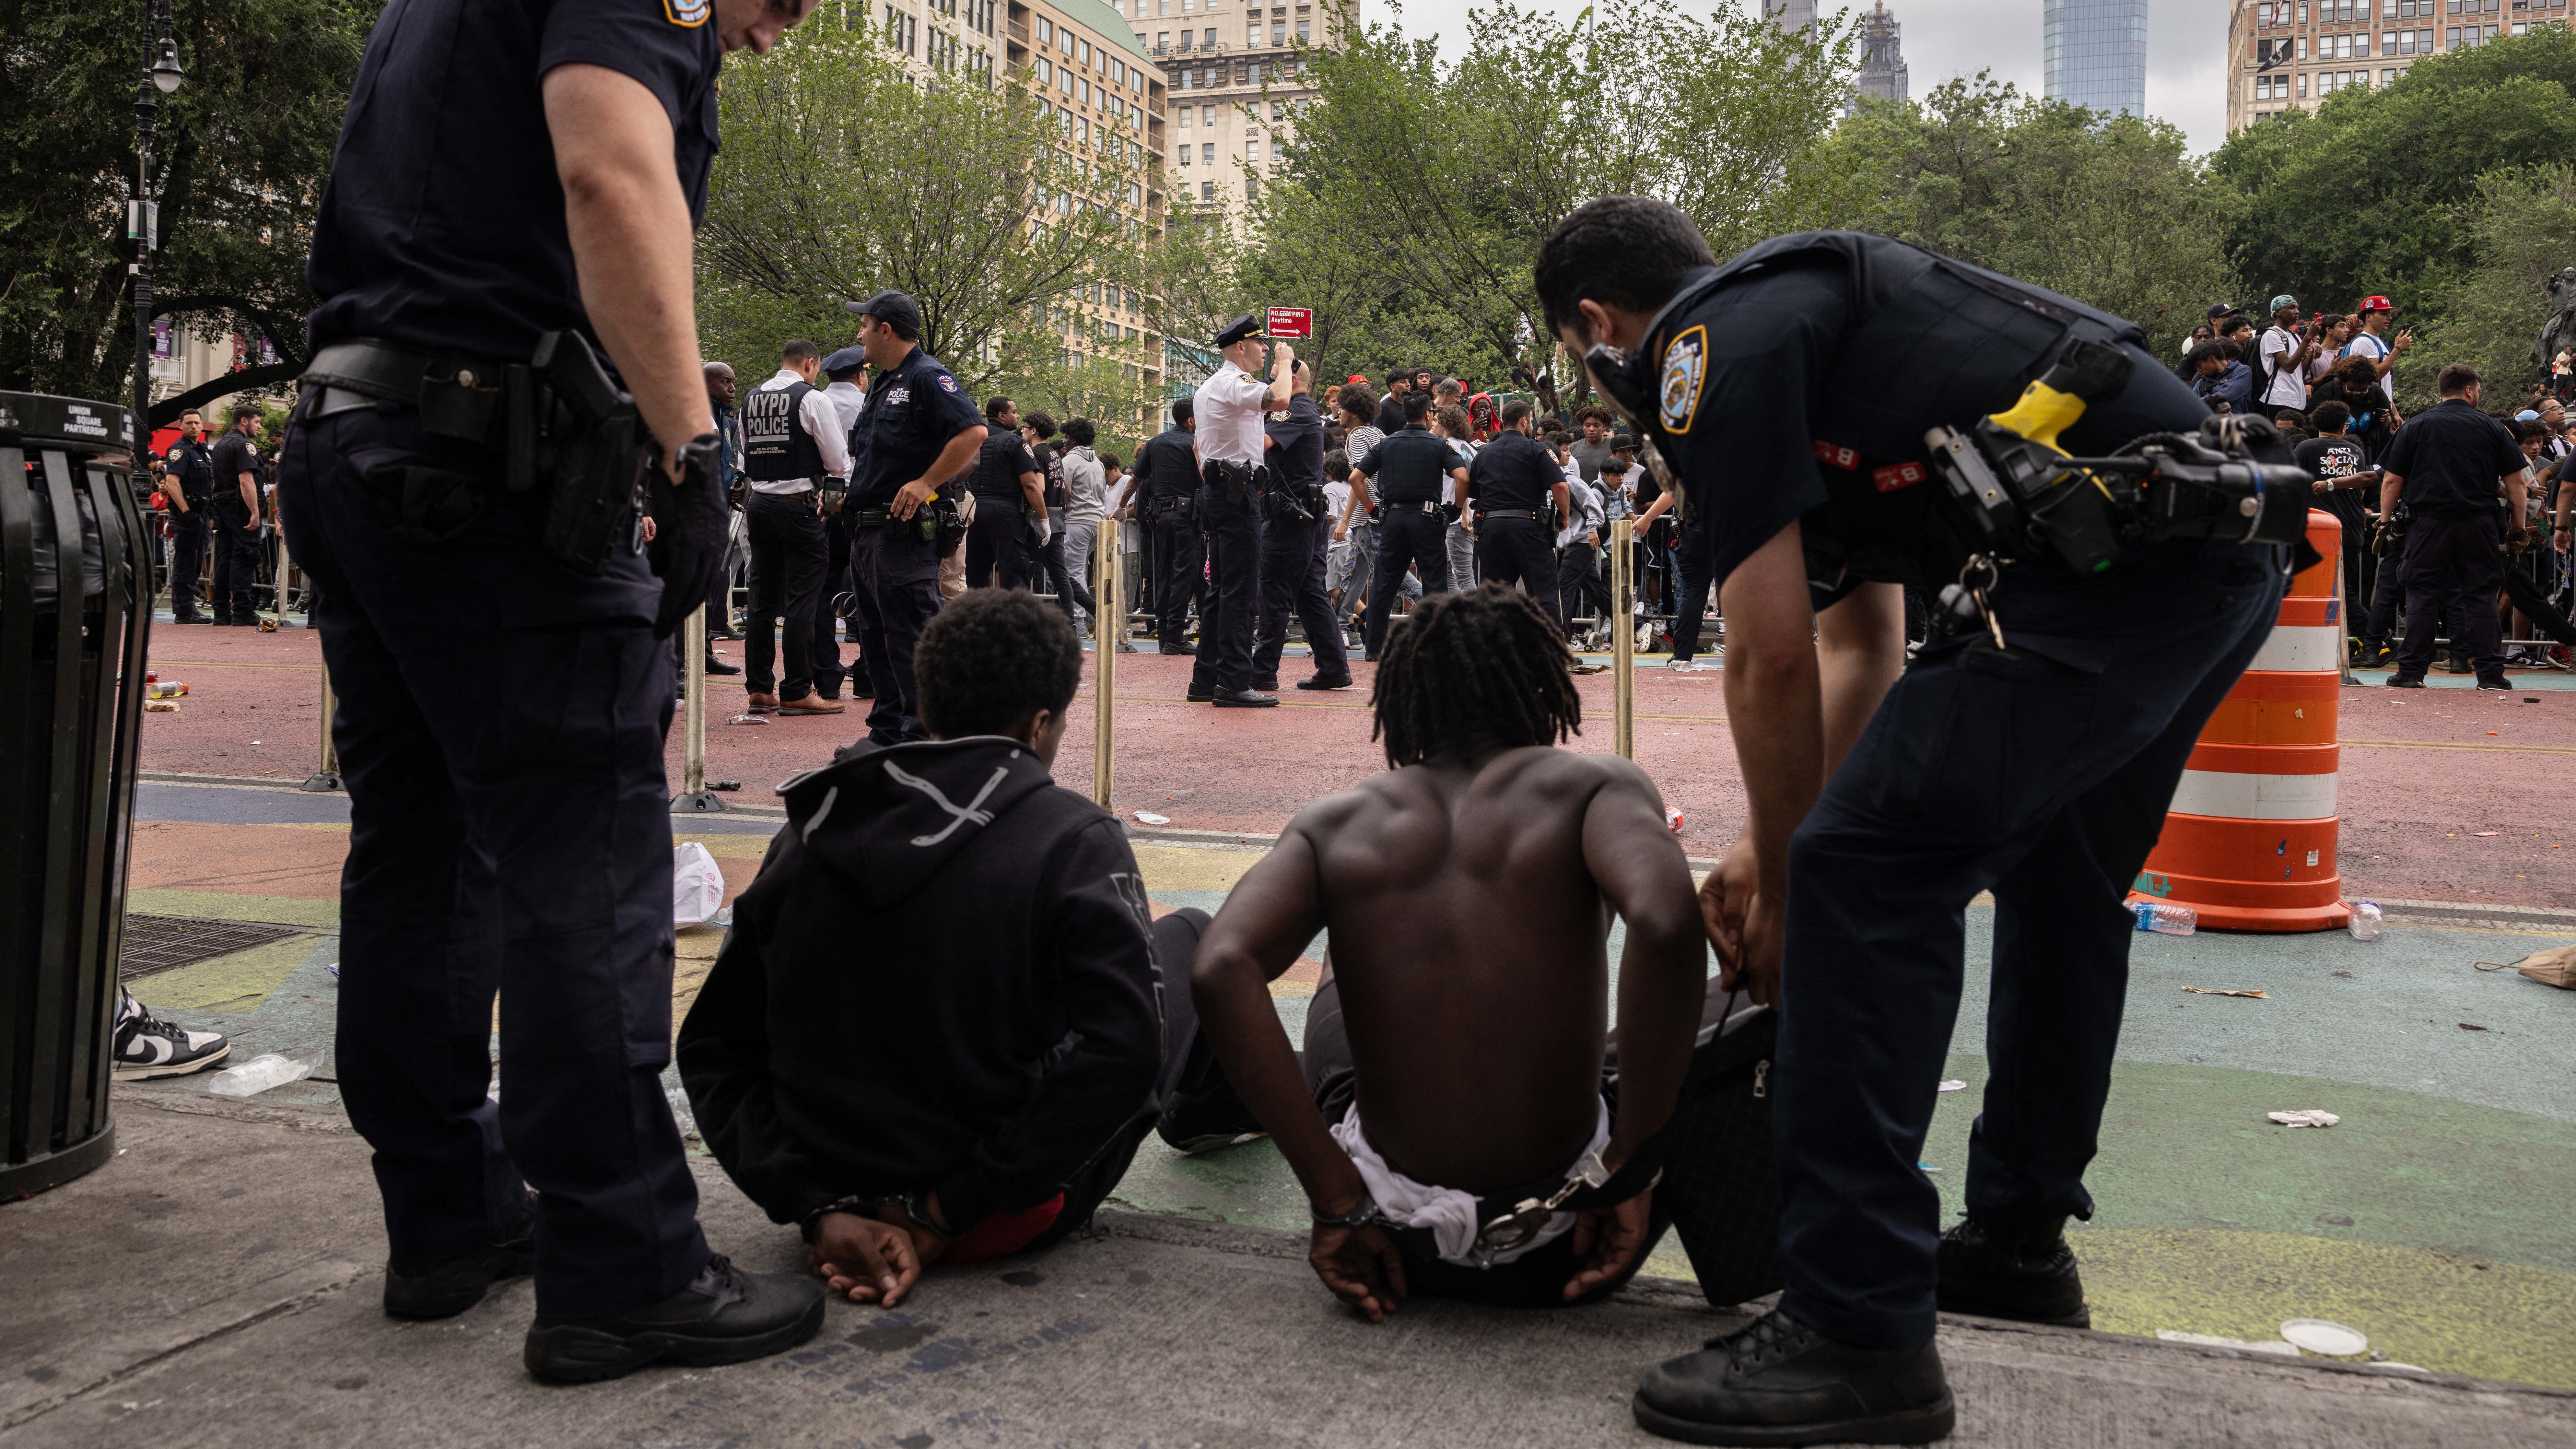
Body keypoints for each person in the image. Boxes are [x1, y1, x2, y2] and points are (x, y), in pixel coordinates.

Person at [1537, 199, 2298, 1444]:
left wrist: (1788, 874)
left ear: (1593, 325)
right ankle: (2014, 1240)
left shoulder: (1698, 347)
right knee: (2053, 877)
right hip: (2194, 559)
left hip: (2102, 572)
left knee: (1856, 873)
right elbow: (1861, 641)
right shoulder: (1835, 335)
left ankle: (1854, 1331)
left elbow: (1768, 655)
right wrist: (1763, 839)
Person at [280, 0, 827, 1383]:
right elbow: (610, 168)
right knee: (587, 852)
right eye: (783, 5)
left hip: (359, 437)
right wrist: (692, 450)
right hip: (489, 466)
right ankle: (624, 1263)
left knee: (419, 849)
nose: (769, 36)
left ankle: (446, 1211)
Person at [1179, 585, 1709, 1314]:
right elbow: (1666, 921)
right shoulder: (1595, 787)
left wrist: (1335, 1197)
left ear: (1403, 705)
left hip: (1392, 1242)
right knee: (1720, 1015)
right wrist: (1627, 1163)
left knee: (1343, 956)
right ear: (1539, 688)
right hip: (1565, 1236)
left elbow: (1217, 966)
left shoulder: (1336, 823)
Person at [679, 588, 1203, 1308]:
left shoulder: (811, 828)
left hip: (836, 1201)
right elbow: (1126, 1054)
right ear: (1041, 723)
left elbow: (714, 1049)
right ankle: (1212, 1113)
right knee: (1192, 940)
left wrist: (816, 1204)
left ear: (925, 708)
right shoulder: (1072, 838)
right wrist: (941, 1211)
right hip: (997, 1215)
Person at [838, 289, 987, 746]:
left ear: (886, 328)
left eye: (864, 324)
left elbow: (973, 431)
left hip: (901, 536)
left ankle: (924, 738)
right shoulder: (885, 380)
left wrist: (927, 483)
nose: (859, 332)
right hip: (868, 533)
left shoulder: (927, 376)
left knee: (910, 639)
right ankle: (887, 735)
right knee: (878, 640)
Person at [2377, 363, 2533, 690]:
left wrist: (2384, 521)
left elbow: (2392, 479)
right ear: (2469, 390)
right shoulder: (2492, 428)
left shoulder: (2415, 426)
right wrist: (2518, 528)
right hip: (2478, 523)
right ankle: (2490, 676)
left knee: (2422, 593)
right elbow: (2517, 484)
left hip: (2428, 524)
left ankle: (2410, 672)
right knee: (2480, 596)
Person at [737, 339, 848, 715]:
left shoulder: (750, 399)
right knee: (804, 598)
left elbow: (743, 454)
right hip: (800, 506)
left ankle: (759, 689)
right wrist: (831, 510)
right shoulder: (812, 399)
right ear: (810, 364)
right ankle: (798, 689)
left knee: (762, 600)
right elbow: (838, 464)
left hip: (760, 504)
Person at [1189, 314, 1293, 707]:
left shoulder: (1215, 386)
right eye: (1260, 344)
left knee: (1222, 589)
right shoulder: (1234, 382)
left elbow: (1199, 447)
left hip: (1221, 490)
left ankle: (1207, 677)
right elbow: (1280, 399)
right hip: (1236, 494)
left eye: (1269, 346)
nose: (1266, 349)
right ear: (1239, 347)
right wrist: (1284, 363)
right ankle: (1233, 682)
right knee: (1240, 590)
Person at [1252, 360, 1353, 691]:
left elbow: (1261, 443)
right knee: (1310, 594)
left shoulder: (1294, 410)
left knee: (1275, 592)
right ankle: (1334, 667)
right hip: (1303, 516)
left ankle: (1263, 671)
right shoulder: (1301, 411)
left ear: (1290, 378)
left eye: (1275, 377)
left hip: (1290, 520)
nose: (1270, 384)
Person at [1349, 391, 1467, 661]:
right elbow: (1462, 477)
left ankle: (1374, 648)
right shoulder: (1439, 445)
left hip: (1393, 519)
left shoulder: (1387, 443)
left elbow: (1356, 478)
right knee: (1434, 584)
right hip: (1428, 519)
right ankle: (1434, 645)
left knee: (1383, 585)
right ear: (1428, 415)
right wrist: (1456, 509)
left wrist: (1372, 509)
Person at [1463, 399, 1571, 624]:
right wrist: (1565, 516)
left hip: (1492, 529)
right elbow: (1560, 486)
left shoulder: (1484, 454)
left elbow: (1474, 491)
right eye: (1531, 421)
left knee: (1495, 595)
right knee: (1542, 592)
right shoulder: (1537, 449)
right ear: (1524, 421)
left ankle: (1494, 651)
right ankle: (1550, 651)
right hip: (1529, 529)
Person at [812, 345, 870, 700]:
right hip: (863, 504)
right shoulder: (868, 404)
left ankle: (826, 677)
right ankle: (868, 675)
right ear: (861, 376)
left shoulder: (815, 402)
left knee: (822, 589)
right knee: (867, 589)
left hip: (823, 503)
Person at [1132, 397, 1202, 654]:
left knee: (1164, 574)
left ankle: (1165, 636)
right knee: (1185, 575)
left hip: (1162, 517)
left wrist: (1119, 507)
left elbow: (1136, 480)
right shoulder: (1196, 444)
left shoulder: (1155, 442)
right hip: (1188, 518)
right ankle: (1174, 636)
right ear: (1191, 420)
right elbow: (1206, 478)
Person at [962, 396, 1045, 591]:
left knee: (974, 577)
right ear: (1002, 416)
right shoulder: (1016, 443)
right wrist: (1045, 519)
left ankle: (976, 620)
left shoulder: (972, 440)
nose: (1018, 417)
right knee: (1014, 576)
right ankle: (1016, 621)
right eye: (1014, 412)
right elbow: (1031, 485)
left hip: (973, 512)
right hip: (1006, 513)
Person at [207, 404, 264, 625]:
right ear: (244, 421)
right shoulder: (244, 445)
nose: (259, 426)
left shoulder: (220, 444)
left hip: (224, 505)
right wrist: (255, 512)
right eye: (257, 422)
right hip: (240, 506)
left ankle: (222, 611)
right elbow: (246, 480)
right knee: (246, 554)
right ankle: (242, 610)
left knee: (226, 557)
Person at [1057, 418, 1110, 637]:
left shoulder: (1069, 461)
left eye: (1067, 438)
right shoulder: (1098, 462)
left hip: (1077, 521)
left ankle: (1078, 623)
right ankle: (1089, 616)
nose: (1065, 442)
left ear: (1074, 439)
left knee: (1072, 572)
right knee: (1082, 572)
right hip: (1096, 522)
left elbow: (1064, 493)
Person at [703, 361, 745, 638]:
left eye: (733, 382)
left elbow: (723, 463)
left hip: (720, 510)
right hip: (701, 513)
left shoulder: (722, 418)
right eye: (725, 382)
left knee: (716, 580)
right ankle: (686, 663)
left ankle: (706, 649)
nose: (732, 388)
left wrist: (732, 487)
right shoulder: (698, 415)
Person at [162, 410, 216, 623]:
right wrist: (185, 511)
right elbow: (172, 482)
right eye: (189, 423)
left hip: (201, 514)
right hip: (187, 516)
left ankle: (189, 608)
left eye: (197, 423)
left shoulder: (202, 450)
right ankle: (184, 611)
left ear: (202, 426)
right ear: (181, 425)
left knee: (195, 563)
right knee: (186, 562)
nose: (194, 426)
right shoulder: (180, 450)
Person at [2186, 339, 2255, 414]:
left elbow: (2227, 397)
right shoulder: (2201, 383)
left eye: (2200, 365)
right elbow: (2193, 405)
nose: (2199, 370)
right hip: (2212, 425)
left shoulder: (2242, 371)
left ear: (2212, 358)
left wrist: (2203, 402)